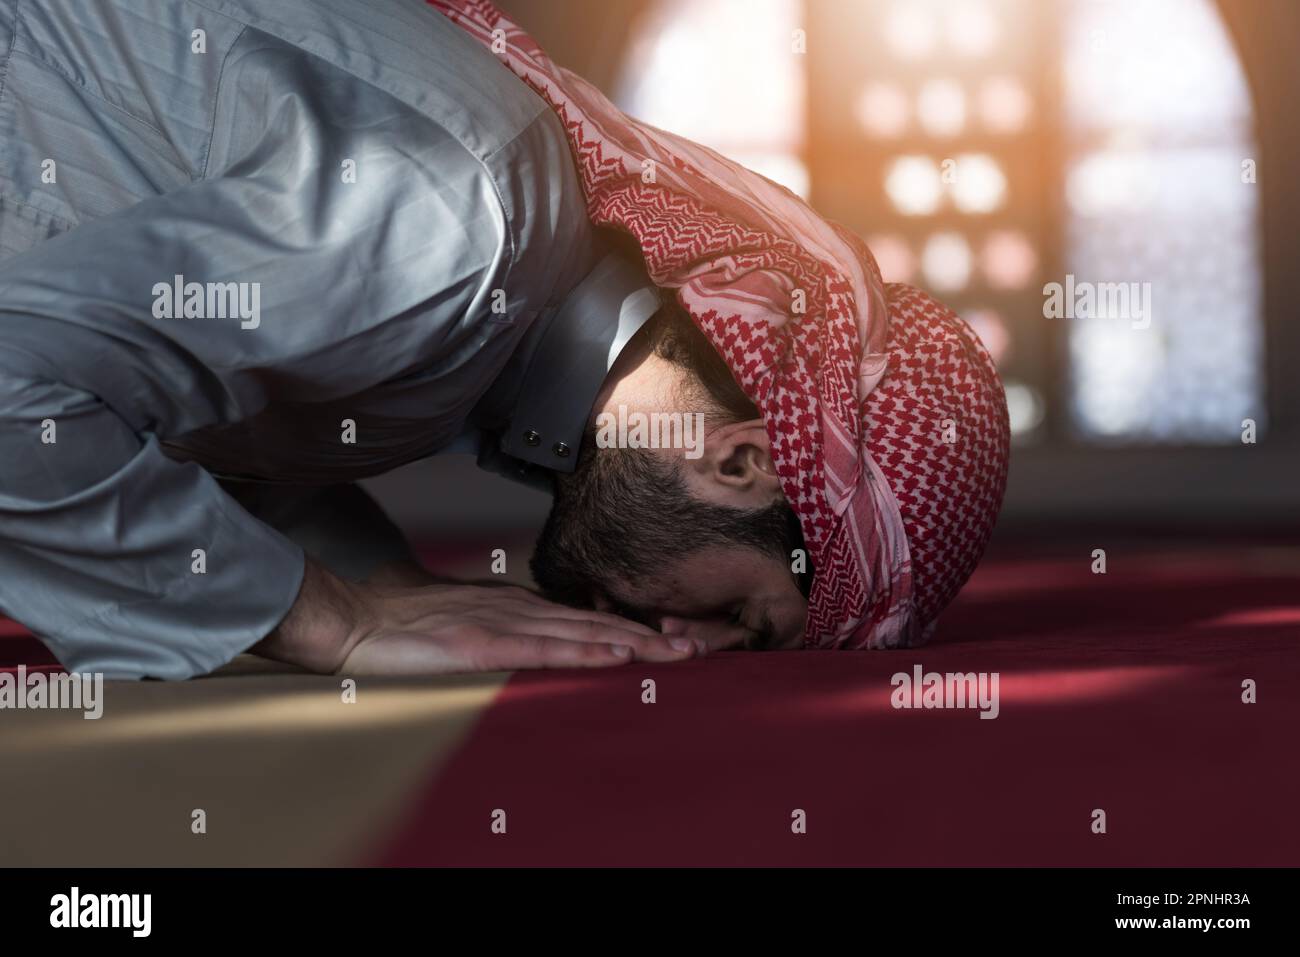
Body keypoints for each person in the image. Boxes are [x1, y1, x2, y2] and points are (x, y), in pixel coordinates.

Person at [0, 0, 798, 679]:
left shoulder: (497, 287)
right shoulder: (465, 231)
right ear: (739, 462)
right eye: (739, 614)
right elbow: (17, 383)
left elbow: (186, 408)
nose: (686, 645)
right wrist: (334, 620)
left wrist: (383, 581)